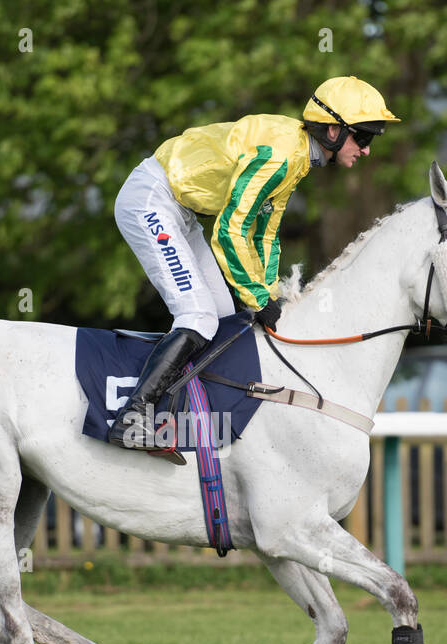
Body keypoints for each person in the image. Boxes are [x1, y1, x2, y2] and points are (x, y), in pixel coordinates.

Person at [108, 75, 399, 457]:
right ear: (332, 130)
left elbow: (264, 235)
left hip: (181, 211)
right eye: (363, 138)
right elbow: (230, 230)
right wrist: (259, 299)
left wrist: (268, 294)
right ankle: (134, 417)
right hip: (151, 199)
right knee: (198, 316)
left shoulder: (298, 157)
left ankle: (188, 418)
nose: (366, 151)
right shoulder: (281, 153)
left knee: (226, 318)